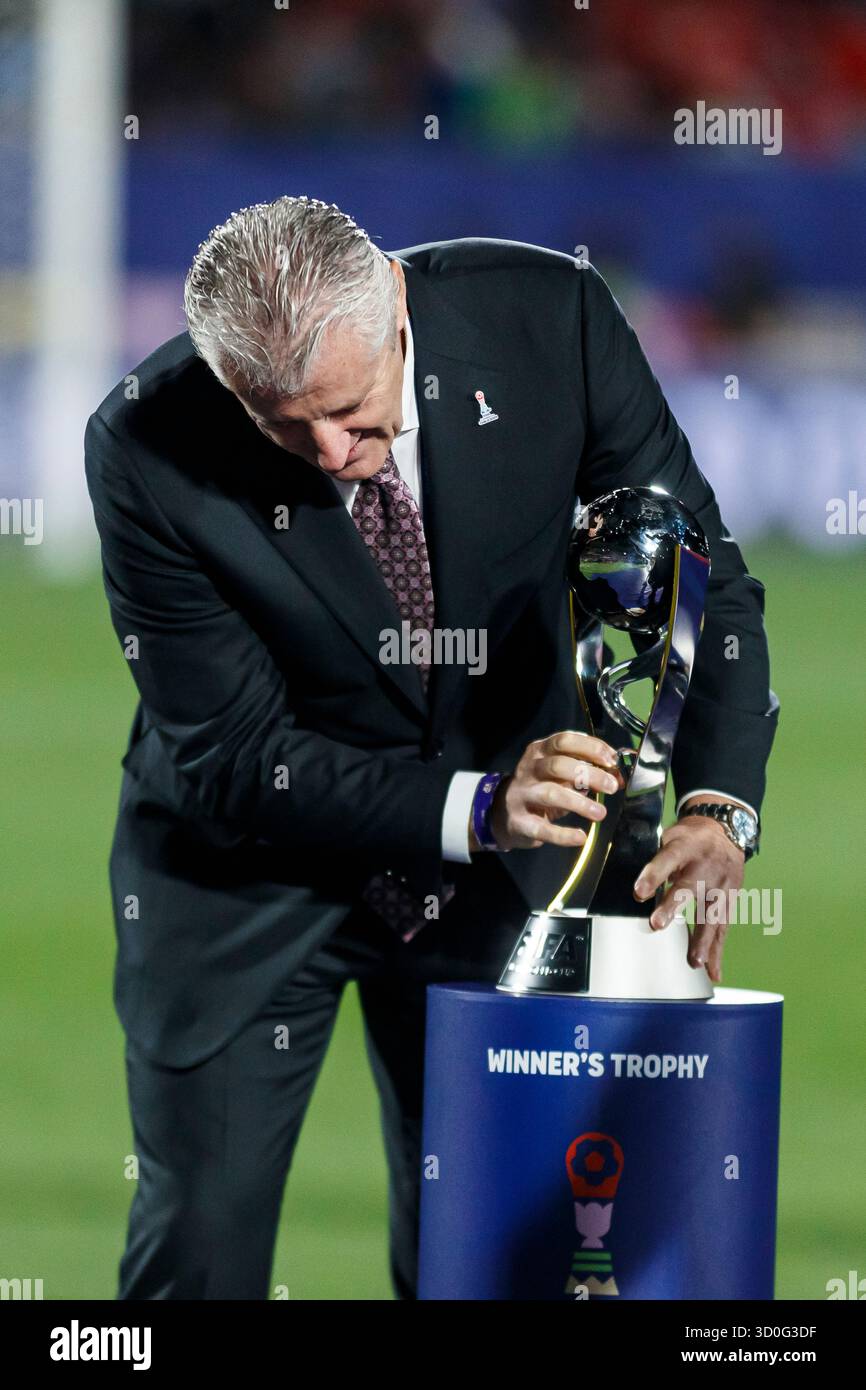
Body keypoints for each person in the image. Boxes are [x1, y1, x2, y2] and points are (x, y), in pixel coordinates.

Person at [84, 195, 778, 1299]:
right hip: (251, 875)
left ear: (397, 307)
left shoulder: (550, 323)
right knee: (197, 1257)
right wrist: (473, 802)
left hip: (510, 880)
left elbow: (700, 580)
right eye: (279, 423)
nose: (326, 455)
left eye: (352, 413)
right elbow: (231, 754)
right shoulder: (144, 444)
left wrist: (716, 806)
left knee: (492, 1259)